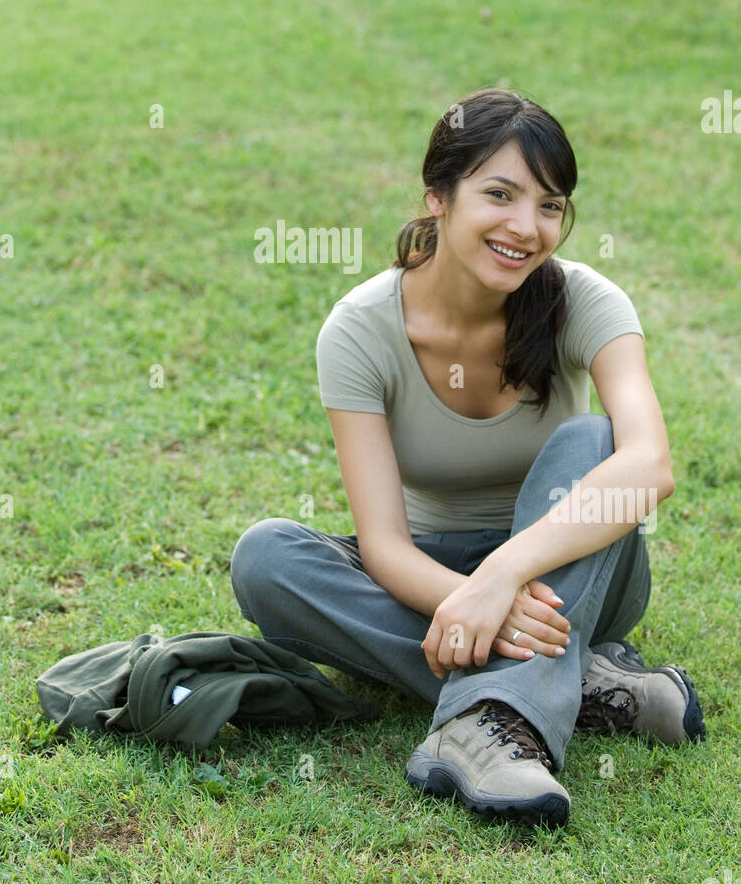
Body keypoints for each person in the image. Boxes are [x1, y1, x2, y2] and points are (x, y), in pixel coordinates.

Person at [229, 88, 705, 829]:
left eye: (550, 205)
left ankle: (485, 727)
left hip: (578, 570)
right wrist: (468, 591)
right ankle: (577, 682)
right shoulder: (360, 330)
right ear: (436, 199)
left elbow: (648, 466)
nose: (527, 227)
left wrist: (503, 576)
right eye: (499, 195)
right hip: (431, 577)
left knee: (591, 441)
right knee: (266, 559)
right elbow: (384, 545)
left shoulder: (587, 302)